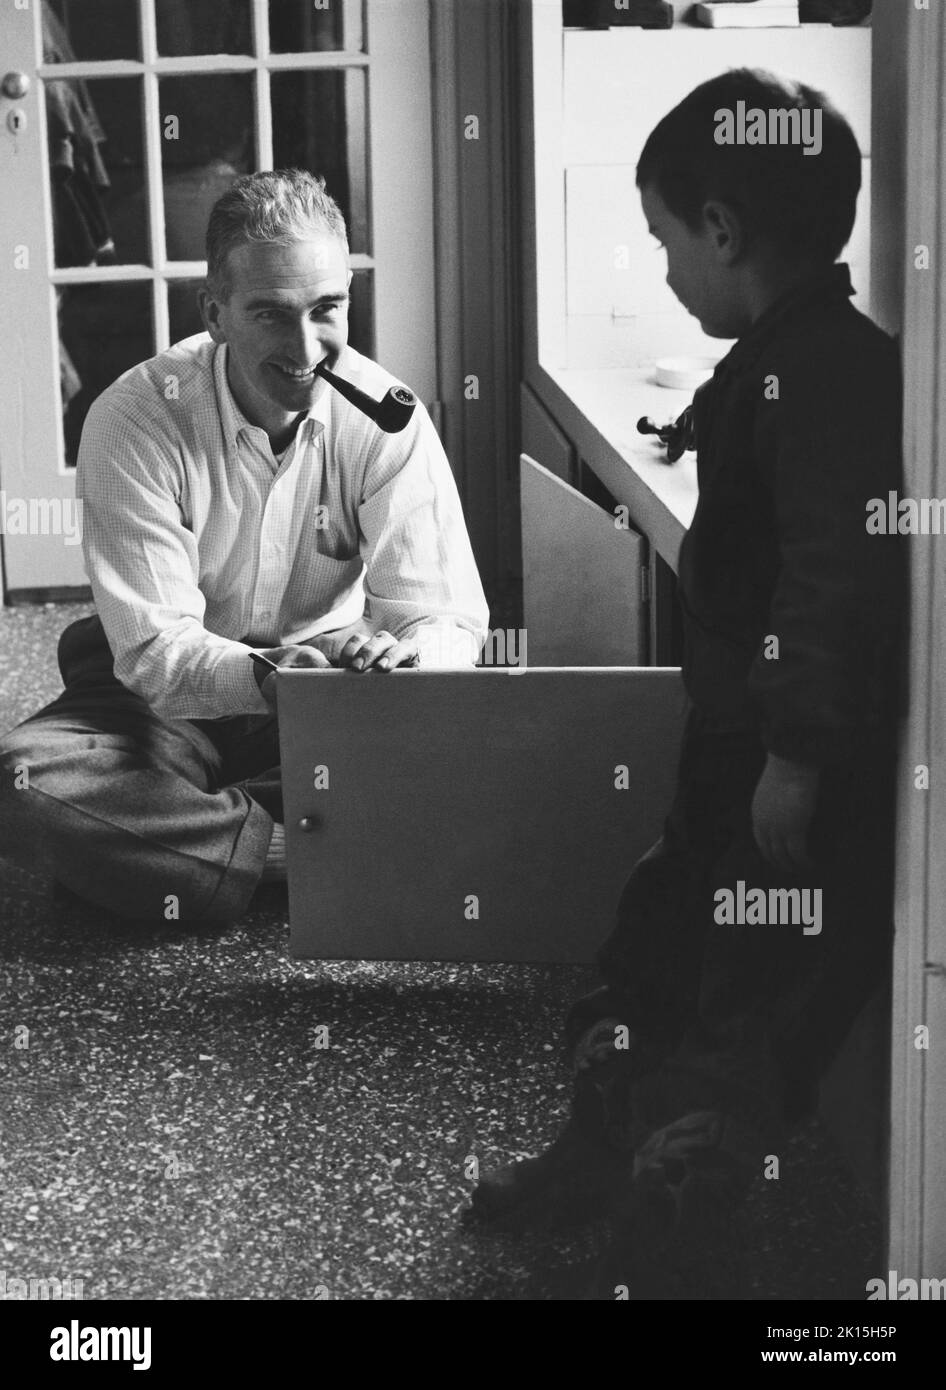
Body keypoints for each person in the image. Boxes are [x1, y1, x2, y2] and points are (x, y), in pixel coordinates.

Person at [467, 70, 905, 1297]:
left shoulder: (832, 376)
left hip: (785, 779)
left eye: (664, 239)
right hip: (733, 756)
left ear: (720, 230)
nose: (661, 268)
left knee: (743, 1011)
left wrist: (799, 755)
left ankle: (677, 1227)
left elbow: (839, 575)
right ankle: (600, 1142)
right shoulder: (782, 352)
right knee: (650, 950)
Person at [0, 169, 488, 927]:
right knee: (28, 781)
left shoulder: (389, 420)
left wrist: (407, 661)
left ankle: (166, 847)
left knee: (507, 752)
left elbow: (447, 617)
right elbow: (157, 654)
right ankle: (307, 842)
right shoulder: (134, 417)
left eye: (328, 309)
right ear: (215, 314)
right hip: (162, 706)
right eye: (270, 314)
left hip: (331, 691)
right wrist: (265, 677)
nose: (306, 346)